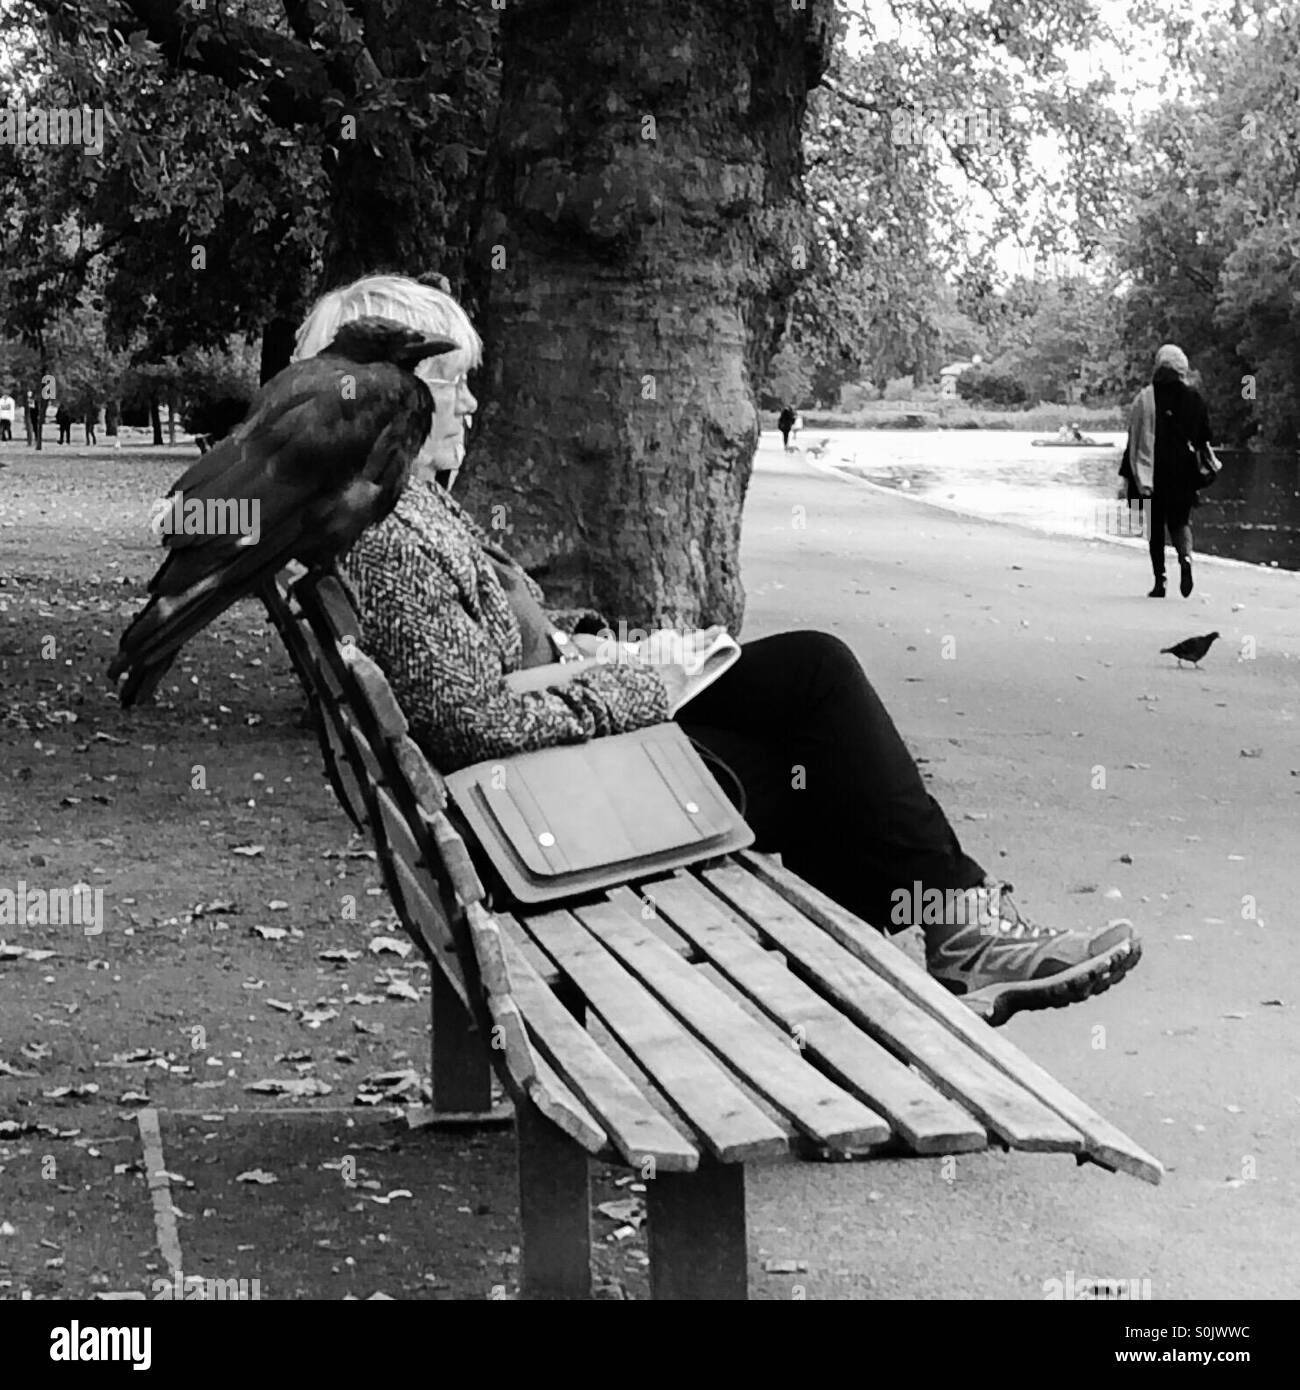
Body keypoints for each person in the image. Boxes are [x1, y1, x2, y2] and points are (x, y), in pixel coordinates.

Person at [294, 274, 1142, 1026]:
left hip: (550, 778)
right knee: (821, 744)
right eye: (451, 383)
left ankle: (904, 970)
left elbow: (501, 661)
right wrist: (639, 687)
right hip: (542, 812)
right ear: (377, 392)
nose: (472, 405)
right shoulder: (393, 536)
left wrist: (621, 650)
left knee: (813, 687)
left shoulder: (399, 508)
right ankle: (915, 964)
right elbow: (468, 721)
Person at [1119, 344, 1212, 598]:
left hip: (1152, 471)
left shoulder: (1144, 398)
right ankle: (1186, 559)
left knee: (1156, 527)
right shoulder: (1194, 398)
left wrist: (1128, 477)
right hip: (1183, 472)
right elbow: (1204, 436)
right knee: (1180, 522)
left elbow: (1134, 440)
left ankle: (1160, 580)